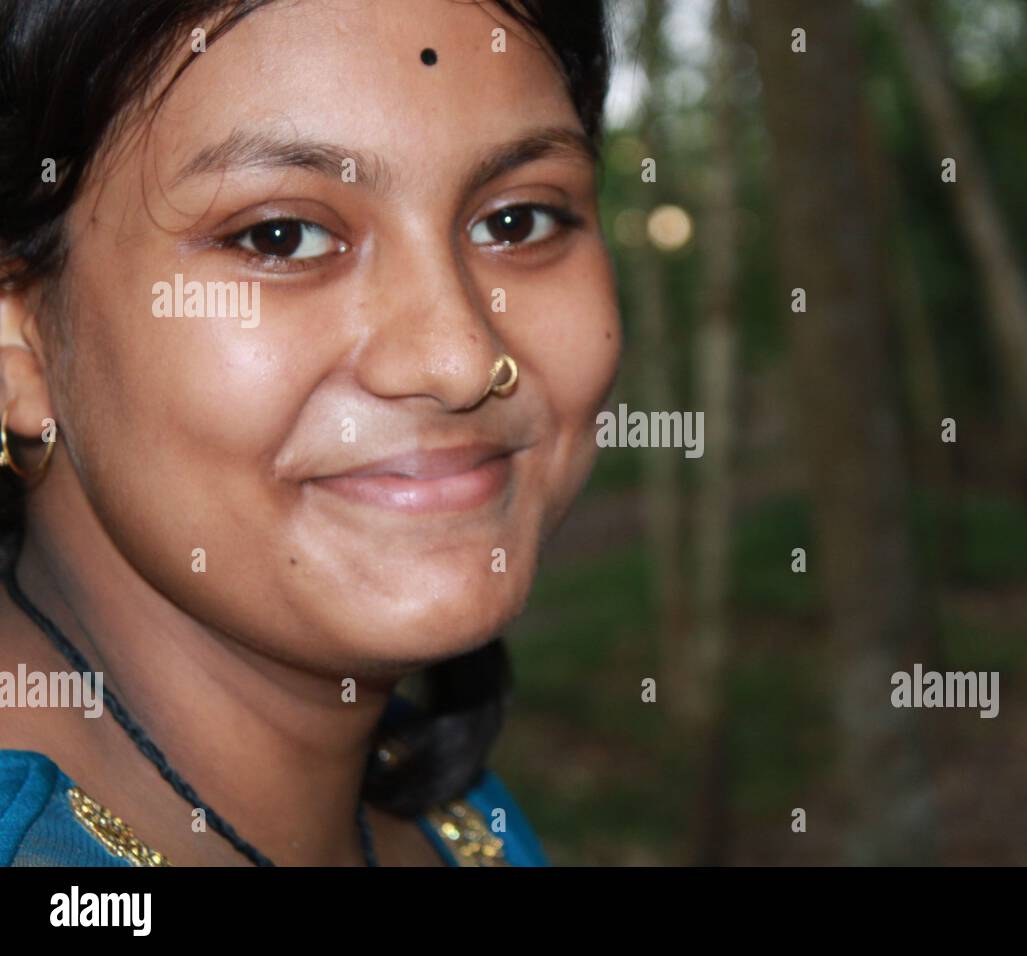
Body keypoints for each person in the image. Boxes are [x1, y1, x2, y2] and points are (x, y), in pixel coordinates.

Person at [0, 0, 618, 867]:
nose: (458, 356)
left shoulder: (453, 817)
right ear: (17, 344)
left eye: (515, 221)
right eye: (281, 236)